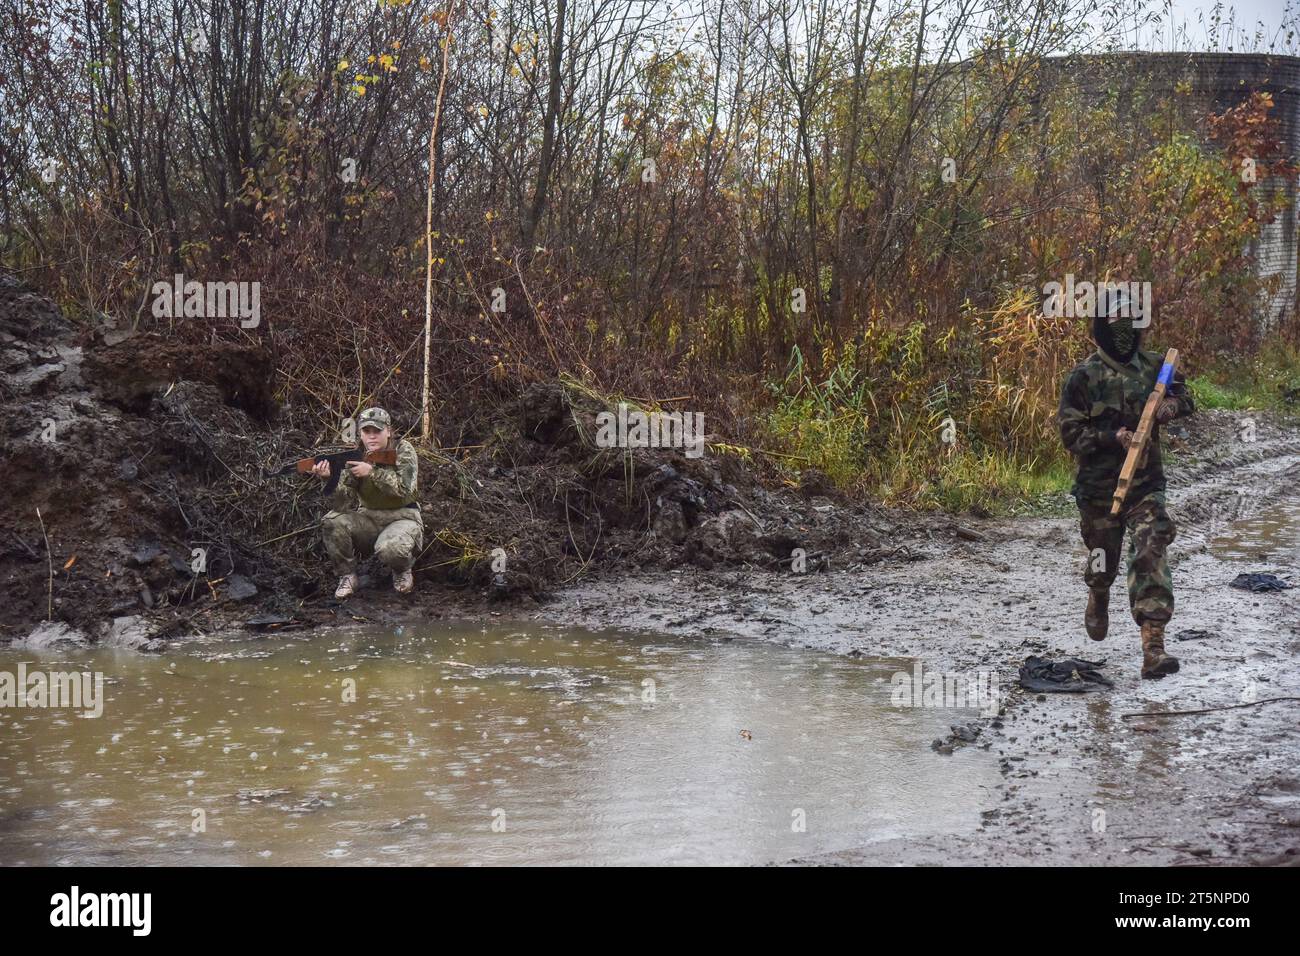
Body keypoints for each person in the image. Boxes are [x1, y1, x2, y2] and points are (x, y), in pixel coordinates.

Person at [1057, 289, 1195, 679]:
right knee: (1104, 559)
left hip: (1145, 484)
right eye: (1115, 321)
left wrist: (1171, 406)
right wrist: (1110, 437)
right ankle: (1098, 594)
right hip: (1098, 490)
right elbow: (1070, 433)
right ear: (1101, 326)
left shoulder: (1157, 368)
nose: (1123, 330)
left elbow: (1184, 396)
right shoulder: (1083, 378)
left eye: (1129, 321)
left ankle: (1154, 646)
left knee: (1151, 547)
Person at [315, 406, 423, 598]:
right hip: (369, 519)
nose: (371, 436)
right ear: (360, 434)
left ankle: (402, 570)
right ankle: (347, 576)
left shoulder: (403, 450)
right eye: (366, 431)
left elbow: (405, 489)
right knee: (332, 521)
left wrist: (372, 473)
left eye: (377, 431)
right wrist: (328, 478)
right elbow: (342, 503)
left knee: (391, 548)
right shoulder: (357, 457)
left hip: (404, 518)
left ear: (388, 431)